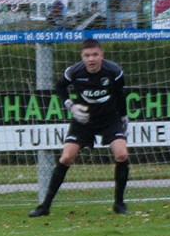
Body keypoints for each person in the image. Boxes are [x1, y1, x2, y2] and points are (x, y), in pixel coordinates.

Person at [29, 38, 130, 217]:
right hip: (83, 120)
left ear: (102, 55)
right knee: (67, 156)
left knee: (122, 154)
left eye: (95, 55)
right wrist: (71, 106)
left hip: (109, 119)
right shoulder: (73, 72)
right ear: (82, 57)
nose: (91, 59)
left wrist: (123, 116)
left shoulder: (114, 71)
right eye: (87, 55)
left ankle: (119, 203)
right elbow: (60, 87)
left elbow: (120, 94)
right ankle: (44, 206)